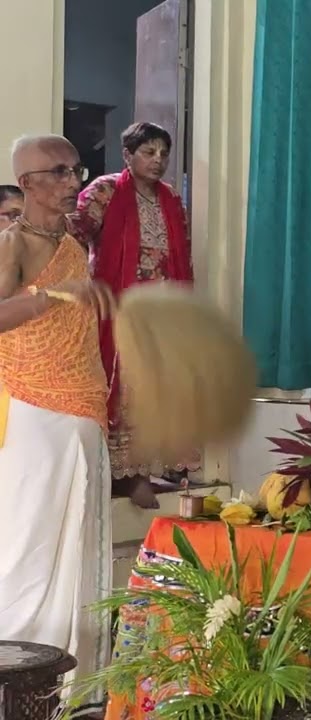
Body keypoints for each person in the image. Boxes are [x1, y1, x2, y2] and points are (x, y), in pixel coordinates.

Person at [0, 135, 114, 700]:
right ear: (29, 184)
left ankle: (77, 690)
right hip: (35, 413)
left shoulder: (66, 237)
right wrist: (53, 298)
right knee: (31, 548)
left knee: (80, 543)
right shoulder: (12, 243)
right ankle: (18, 688)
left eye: (77, 169)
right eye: (61, 171)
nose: (74, 181)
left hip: (84, 411)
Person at [72, 121, 195, 509]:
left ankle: (145, 470)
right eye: (148, 152)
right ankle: (117, 475)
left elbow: (182, 257)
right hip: (118, 309)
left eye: (163, 154)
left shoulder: (171, 199)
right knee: (121, 390)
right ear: (127, 156)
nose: (158, 161)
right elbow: (75, 234)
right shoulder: (105, 191)